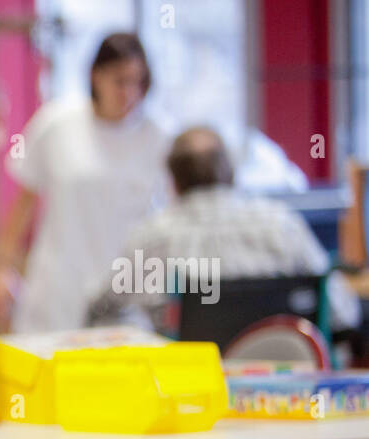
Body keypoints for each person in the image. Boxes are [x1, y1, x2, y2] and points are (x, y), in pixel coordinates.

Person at [87, 126, 362, 333]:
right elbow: (343, 311)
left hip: (192, 391)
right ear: (231, 172)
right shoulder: (282, 225)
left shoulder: (153, 237)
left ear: (174, 182)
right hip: (283, 392)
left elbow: (102, 310)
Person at [0, 32, 170, 333]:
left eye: (137, 82)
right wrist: (1, 269)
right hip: (58, 289)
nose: (129, 92)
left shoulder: (157, 136)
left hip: (125, 293)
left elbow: (169, 216)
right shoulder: (57, 124)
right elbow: (23, 202)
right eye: (119, 81)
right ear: (96, 76)